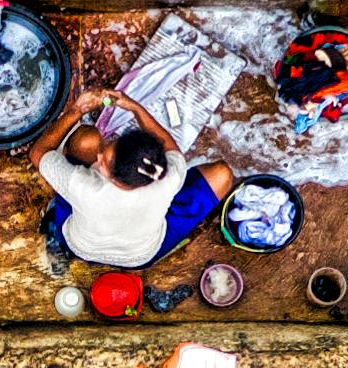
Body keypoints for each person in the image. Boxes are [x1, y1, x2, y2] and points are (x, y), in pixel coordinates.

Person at [39, 99, 216, 275]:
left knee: (86, 140)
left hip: (81, 247)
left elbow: (39, 152)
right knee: (221, 174)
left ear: (114, 178)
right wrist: (135, 107)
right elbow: (171, 150)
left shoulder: (84, 186)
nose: (99, 156)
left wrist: (77, 110)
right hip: (139, 256)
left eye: (103, 162)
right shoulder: (166, 178)